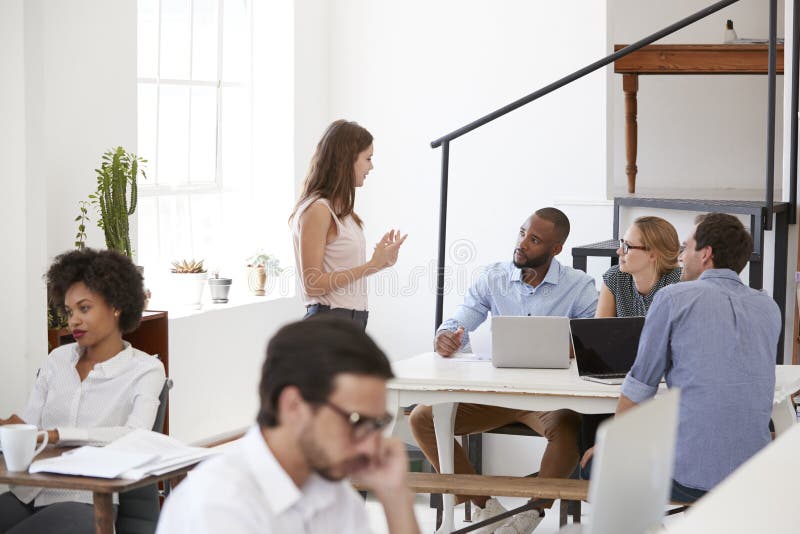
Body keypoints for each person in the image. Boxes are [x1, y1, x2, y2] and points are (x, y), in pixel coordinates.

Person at [410, 208, 597, 534]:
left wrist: (566, 348)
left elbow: (594, 343)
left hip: (549, 399)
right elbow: (458, 322)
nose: (522, 243)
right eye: (522, 232)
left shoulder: (579, 287)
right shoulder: (493, 278)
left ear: (555, 249)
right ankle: (484, 506)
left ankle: (531, 515)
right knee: (422, 417)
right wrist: (447, 337)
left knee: (570, 430)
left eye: (534, 239)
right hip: (497, 394)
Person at [581, 213, 781, 503]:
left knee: (590, 464)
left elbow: (640, 384)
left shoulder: (674, 298)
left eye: (686, 248)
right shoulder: (768, 306)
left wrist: (610, 444)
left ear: (706, 254)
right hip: (752, 473)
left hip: (689, 477)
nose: (681, 257)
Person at [156, 316, 419, 534]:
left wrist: (396, 499)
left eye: (377, 424)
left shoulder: (333, 495)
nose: (371, 445)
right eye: (356, 421)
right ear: (293, 405)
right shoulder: (219, 506)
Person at [0, 248, 166, 534]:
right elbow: (31, 427)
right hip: (32, 493)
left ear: (116, 306)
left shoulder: (146, 369)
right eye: (68, 311)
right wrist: (13, 431)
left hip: (87, 502)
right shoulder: (57, 361)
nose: (73, 320)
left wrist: (57, 435)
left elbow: (137, 435)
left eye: (84, 308)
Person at [289, 120, 407, 330]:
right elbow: (312, 283)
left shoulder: (342, 212)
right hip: (329, 324)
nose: (371, 166)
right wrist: (371, 265)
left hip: (352, 322)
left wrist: (379, 263)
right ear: (346, 160)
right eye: (368, 158)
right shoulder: (318, 210)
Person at [581, 216, 682, 457]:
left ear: (653, 254)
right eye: (621, 243)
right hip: (622, 379)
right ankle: (593, 480)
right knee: (588, 416)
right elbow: (599, 340)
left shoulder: (680, 284)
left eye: (627, 246)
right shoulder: (615, 278)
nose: (619, 250)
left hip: (664, 385)